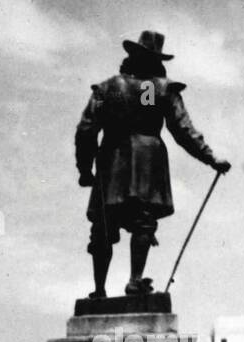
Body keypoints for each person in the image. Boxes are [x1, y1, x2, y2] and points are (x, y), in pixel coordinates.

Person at [76, 30, 230, 298]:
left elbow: (86, 130)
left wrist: (85, 169)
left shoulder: (108, 87)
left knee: (103, 226)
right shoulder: (157, 88)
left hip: (111, 162)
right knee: (142, 222)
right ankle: (135, 281)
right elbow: (183, 130)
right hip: (146, 162)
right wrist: (210, 158)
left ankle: (99, 290)